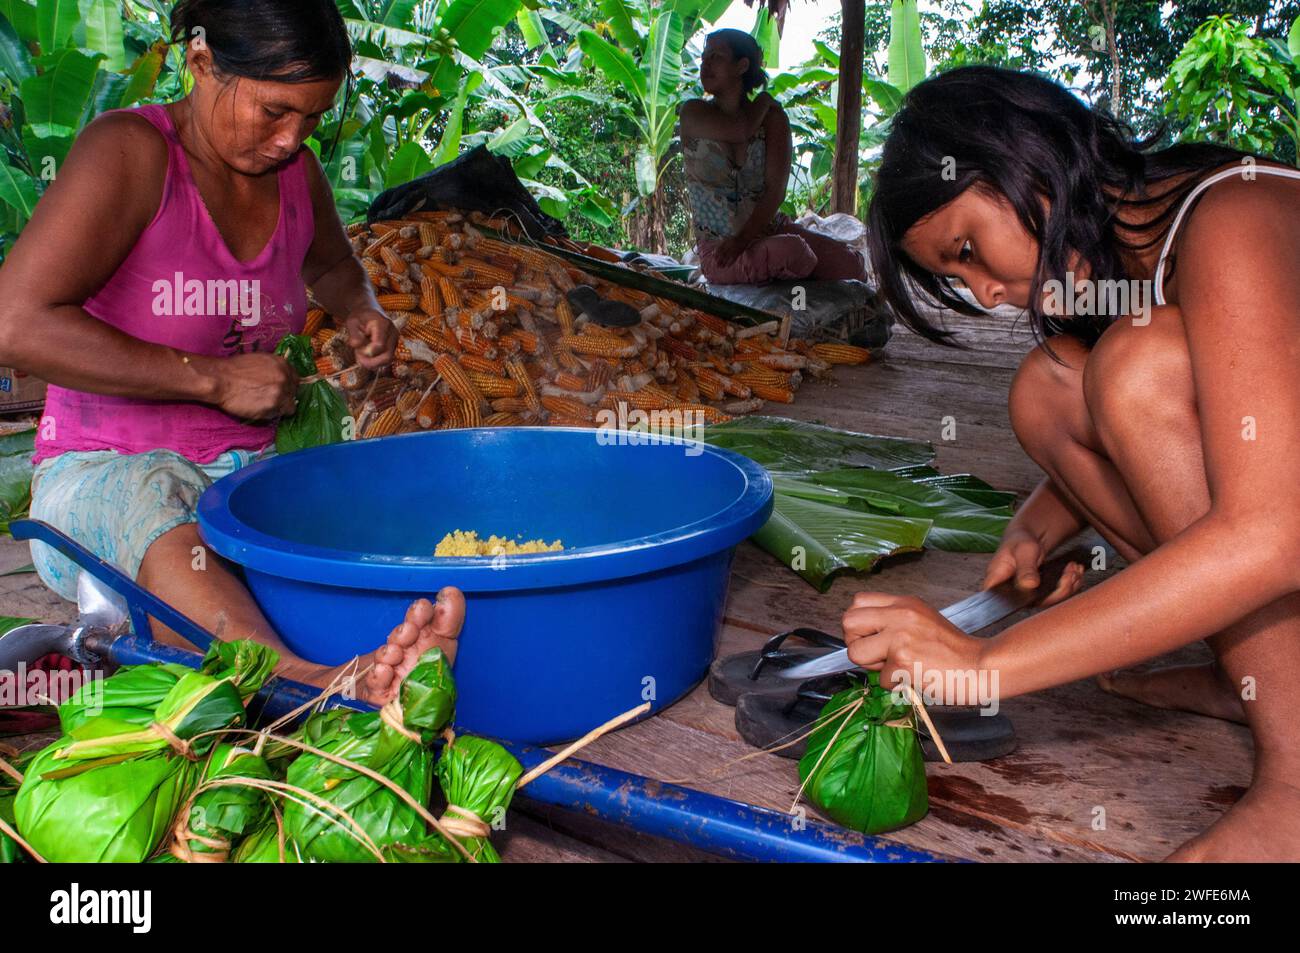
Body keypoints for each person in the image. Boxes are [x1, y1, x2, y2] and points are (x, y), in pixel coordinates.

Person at [856, 66, 1300, 861]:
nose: (990, 296)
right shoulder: (1129, 268)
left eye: (968, 249)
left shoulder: (1231, 214)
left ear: (1027, 157)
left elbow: (1273, 532)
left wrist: (986, 664)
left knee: (1134, 367)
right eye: (958, 279)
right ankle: (1265, 677)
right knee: (1050, 387)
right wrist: (1039, 523)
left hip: (1282, 529)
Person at [0, 0, 462, 704]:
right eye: (275, 111)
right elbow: (16, 324)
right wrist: (212, 381)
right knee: (156, 494)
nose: (290, 139)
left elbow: (334, 266)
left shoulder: (296, 175)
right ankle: (308, 686)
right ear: (201, 64)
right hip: (103, 481)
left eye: (312, 118)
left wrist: (360, 310)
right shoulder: (129, 154)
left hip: (248, 478)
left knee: (382, 484)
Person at [679, 29, 867, 285]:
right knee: (794, 252)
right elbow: (740, 130)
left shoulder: (773, 120)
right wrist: (764, 100)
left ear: (741, 66)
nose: (705, 63)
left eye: (716, 56)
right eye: (704, 57)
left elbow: (775, 192)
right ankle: (783, 268)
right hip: (719, 249)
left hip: (769, 230)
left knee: (852, 264)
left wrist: (744, 240)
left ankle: (780, 268)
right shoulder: (693, 113)